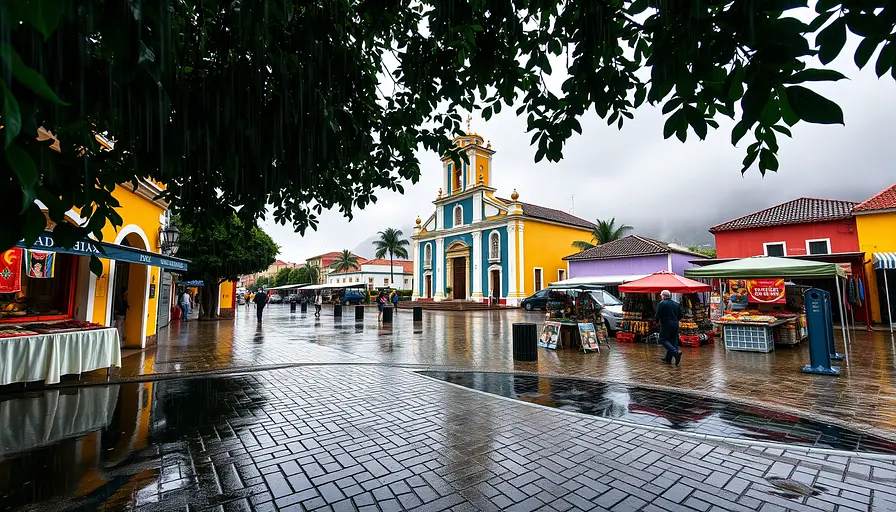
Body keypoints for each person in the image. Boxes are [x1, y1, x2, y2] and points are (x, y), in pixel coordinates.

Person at [656, 289, 683, 365]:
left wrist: (657, 321)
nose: (661, 297)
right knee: (673, 341)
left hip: (666, 324)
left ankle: (676, 353)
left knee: (662, 339)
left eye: (661, 295)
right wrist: (675, 320)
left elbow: (658, 314)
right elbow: (681, 315)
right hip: (675, 324)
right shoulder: (676, 304)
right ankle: (668, 359)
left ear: (663, 296)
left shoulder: (662, 303)